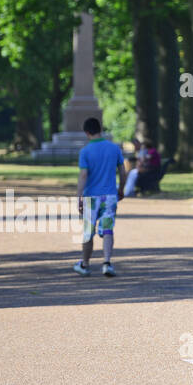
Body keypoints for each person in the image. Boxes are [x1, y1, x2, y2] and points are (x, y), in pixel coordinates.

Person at [74, 117, 126, 277]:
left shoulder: (85, 151)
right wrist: (121, 189)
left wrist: (79, 197)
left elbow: (83, 175)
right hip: (110, 195)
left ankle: (85, 264)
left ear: (86, 132)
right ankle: (107, 263)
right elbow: (123, 171)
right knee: (108, 229)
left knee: (88, 231)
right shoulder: (114, 148)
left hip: (91, 197)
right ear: (100, 129)